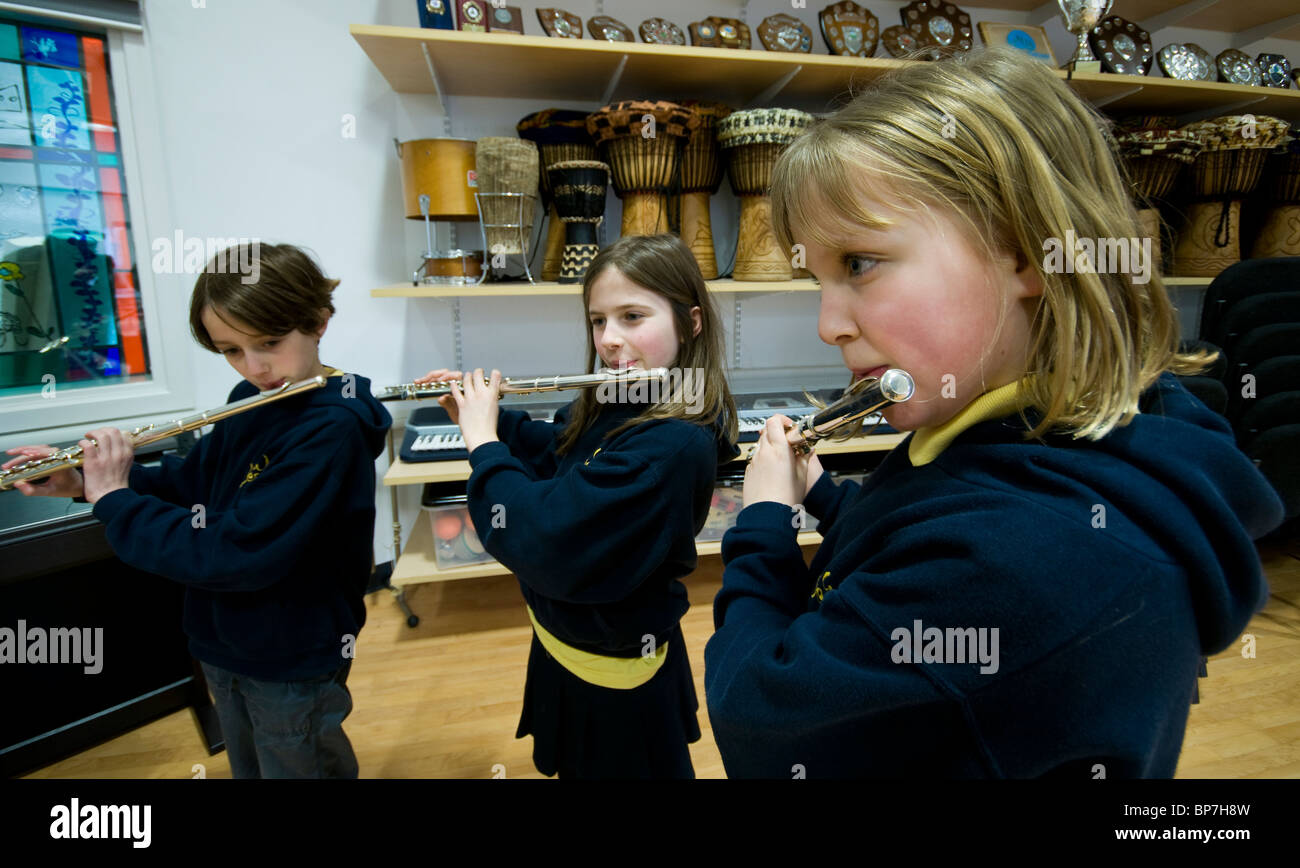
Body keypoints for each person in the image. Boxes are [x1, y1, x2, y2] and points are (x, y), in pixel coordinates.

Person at [704, 48, 1285, 778]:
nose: (829, 325)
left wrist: (761, 530)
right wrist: (821, 495)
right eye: (818, 277)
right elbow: (913, 534)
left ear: (1025, 252)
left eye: (858, 263)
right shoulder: (1024, 433)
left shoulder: (1016, 557)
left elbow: (758, 715)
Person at [4, 243, 391, 779]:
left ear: (319, 322)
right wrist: (84, 481)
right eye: (231, 350)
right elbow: (191, 486)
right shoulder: (249, 396)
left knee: (299, 766)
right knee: (250, 765)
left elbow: (237, 550)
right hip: (223, 638)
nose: (254, 368)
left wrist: (116, 500)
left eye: (269, 344)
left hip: (290, 650)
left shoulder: (331, 429)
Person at [418, 233, 738, 778]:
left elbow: (544, 536)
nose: (610, 340)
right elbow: (560, 456)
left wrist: (484, 444)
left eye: (633, 316)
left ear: (692, 323)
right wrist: (492, 420)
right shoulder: (618, 396)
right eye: (598, 320)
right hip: (567, 644)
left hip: (616, 672)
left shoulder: (673, 445)